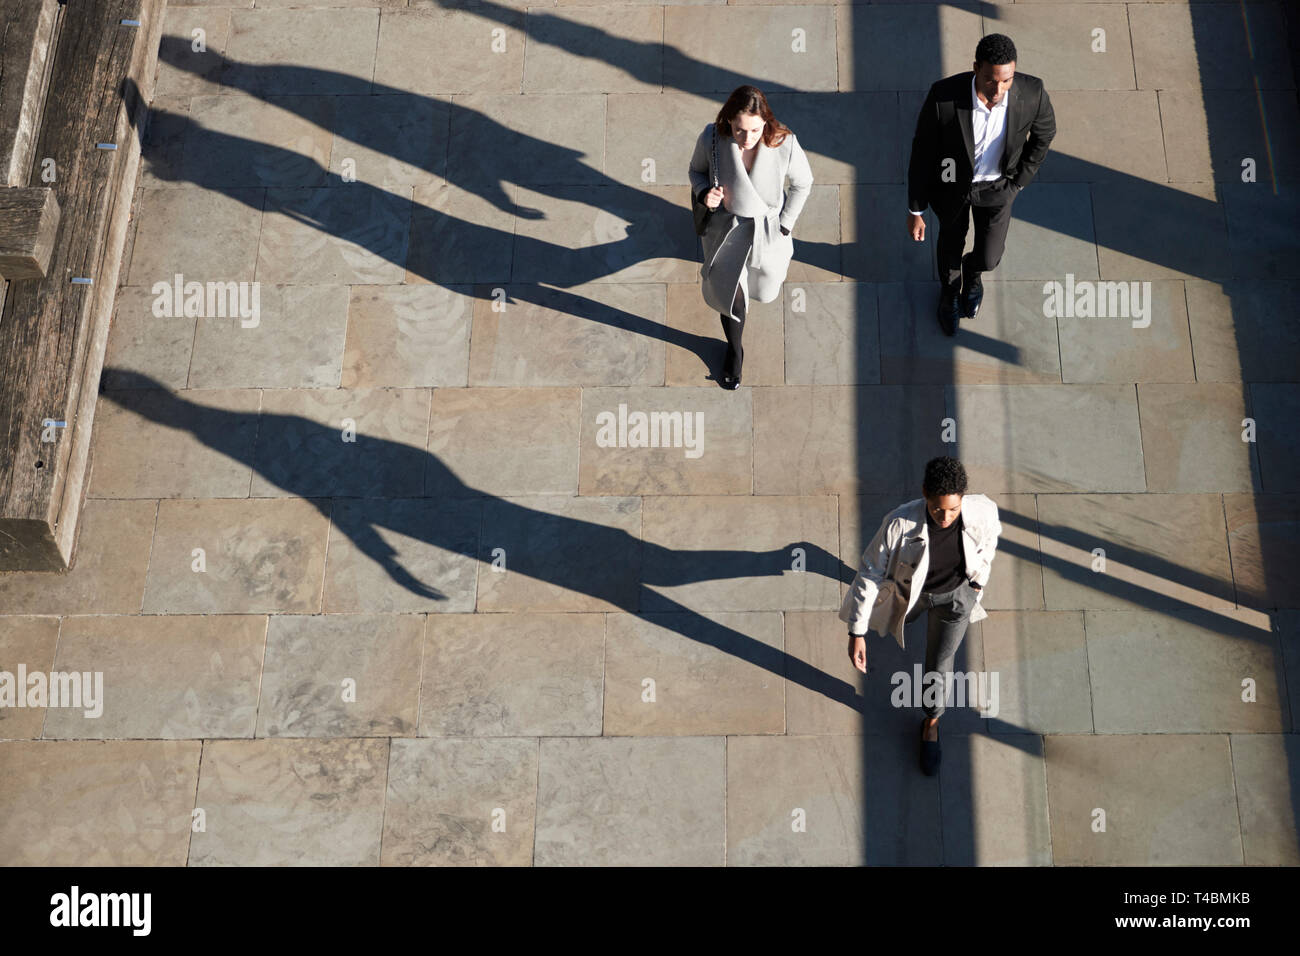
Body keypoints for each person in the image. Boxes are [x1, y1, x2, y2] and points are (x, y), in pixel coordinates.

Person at [841, 457, 1002, 775]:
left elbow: (990, 539)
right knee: (884, 615)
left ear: (963, 499)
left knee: (940, 665)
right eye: (937, 509)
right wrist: (856, 632)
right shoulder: (899, 522)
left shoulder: (982, 510)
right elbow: (871, 572)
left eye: (953, 510)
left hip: (956, 599)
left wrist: (978, 583)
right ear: (925, 494)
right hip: (910, 594)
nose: (945, 518)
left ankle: (931, 721)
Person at [906, 33, 1056, 335]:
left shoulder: (1032, 93)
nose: (998, 89)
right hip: (951, 186)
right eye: (990, 80)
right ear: (976, 68)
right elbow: (922, 152)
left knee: (989, 256)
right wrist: (916, 209)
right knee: (950, 242)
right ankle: (949, 294)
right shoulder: (943, 96)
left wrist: (1020, 181)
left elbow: (1045, 134)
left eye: (1006, 80)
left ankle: (973, 272)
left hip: (999, 188)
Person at [688, 86, 813, 389]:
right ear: (728, 121)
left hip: (768, 231)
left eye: (755, 130)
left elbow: (803, 183)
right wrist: (706, 193)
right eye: (739, 130)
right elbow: (696, 171)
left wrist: (786, 223)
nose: (746, 138)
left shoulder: (784, 142)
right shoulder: (712, 137)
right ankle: (734, 350)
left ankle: (735, 340)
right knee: (732, 298)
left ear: (765, 122)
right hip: (726, 230)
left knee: (766, 287)